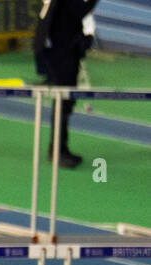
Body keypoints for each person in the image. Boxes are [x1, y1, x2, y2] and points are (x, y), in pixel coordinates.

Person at [36, 0, 100, 169]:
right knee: (62, 104)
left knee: (65, 103)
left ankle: (60, 148)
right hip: (61, 55)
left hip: (61, 53)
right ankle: (57, 151)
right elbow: (78, 10)